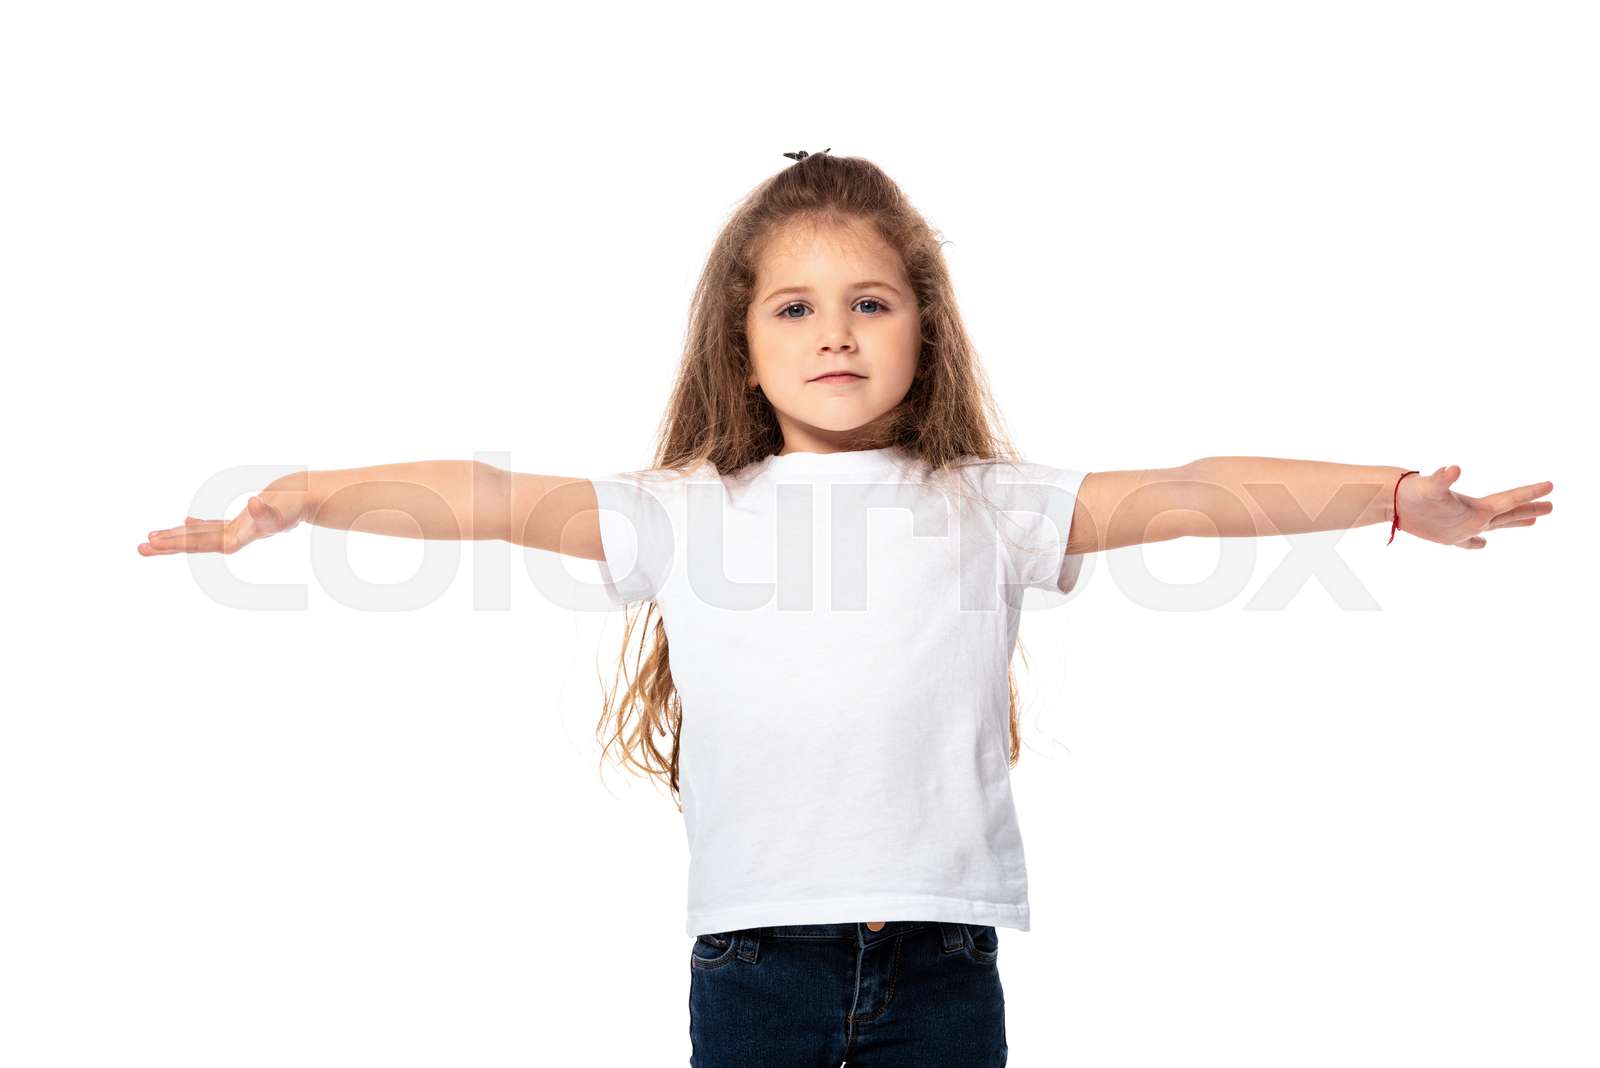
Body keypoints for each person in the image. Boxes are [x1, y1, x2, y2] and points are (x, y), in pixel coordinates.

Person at [137, 148, 1554, 1067]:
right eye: (797, 310)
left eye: (871, 304)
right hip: (753, 969)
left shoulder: (984, 502)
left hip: (941, 968)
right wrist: (301, 497)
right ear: (743, 352)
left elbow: (1189, 490)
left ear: (922, 332)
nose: (835, 333)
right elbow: (486, 500)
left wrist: (1386, 494)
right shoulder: (684, 511)